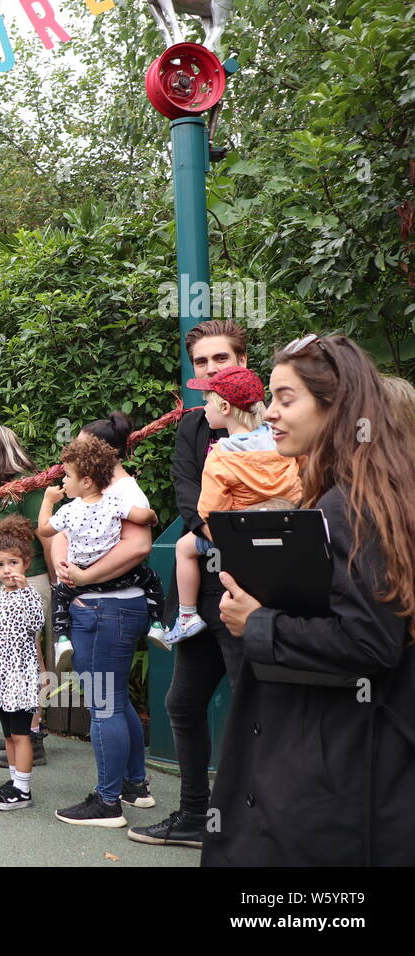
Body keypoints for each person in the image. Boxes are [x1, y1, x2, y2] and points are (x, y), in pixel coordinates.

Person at [204, 334, 415, 865]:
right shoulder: (367, 495)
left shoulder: (351, 508)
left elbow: (370, 641)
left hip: (335, 771)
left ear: (336, 405)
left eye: (285, 398)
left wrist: (257, 623)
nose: (269, 412)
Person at [129, 320, 250, 849]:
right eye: (201, 362)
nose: (210, 369)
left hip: (255, 592)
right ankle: (195, 817)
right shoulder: (193, 426)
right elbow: (186, 493)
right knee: (182, 702)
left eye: (220, 359)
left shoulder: (271, 422)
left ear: (242, 361)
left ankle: (254, 823)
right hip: (203, 586)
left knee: (257, 711)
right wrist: (214, 532)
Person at [47, 414, 158, 825]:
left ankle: (107, 802)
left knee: (103, 705)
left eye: (81, 445)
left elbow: (139, 546)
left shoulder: (126, 493)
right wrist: (64, 563)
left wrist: (85, 577)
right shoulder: (98, 489)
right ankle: (133, 784)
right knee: (115, 699)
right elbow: (66, 526)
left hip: (105, 608)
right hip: (98, 606)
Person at [164, 366, 301, 646]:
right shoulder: (278, 442)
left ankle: (187, 615)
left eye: (207, 402)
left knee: (183, 548)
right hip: (281, 529)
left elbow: (209, 511)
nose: (203, 409)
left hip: (239, 533)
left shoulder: (222, 454)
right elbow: (297, 487)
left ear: (224, 406)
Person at [39, 434, 163, 672]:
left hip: (82, 580)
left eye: (67, 476)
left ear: (86, 482)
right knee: (152, 579)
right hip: (117, 579)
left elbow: (45, 529)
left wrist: (47, 500)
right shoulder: (115, 502)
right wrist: (152, 516)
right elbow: (141, 516)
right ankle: (157, 623)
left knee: (60, 597)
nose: (63, 481)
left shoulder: (69, 510)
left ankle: (62, 639)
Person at [0, 425, 55, 766]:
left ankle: (32, 736)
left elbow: (47, 539)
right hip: (2, 584)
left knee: (29, 659)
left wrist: (59, 585)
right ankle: (19, 729)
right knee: (10, 658)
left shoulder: (31, 491)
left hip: (29, 583)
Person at [0, 516, 45, 810]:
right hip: (0, 675)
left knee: (21, 733)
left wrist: (26, 591)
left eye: (13, 563)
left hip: (21, 676)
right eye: (0, 565)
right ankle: (14, 782)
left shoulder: (31, 595)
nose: (6, 570)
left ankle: (23, 790)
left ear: (25, 562)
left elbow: (36, 623)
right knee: (8, 736)